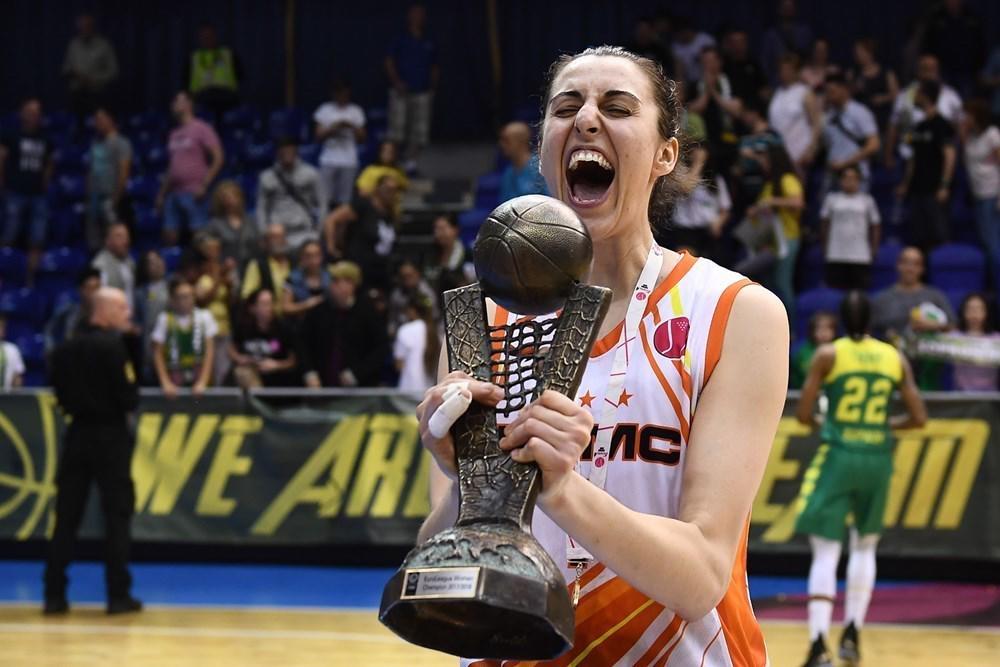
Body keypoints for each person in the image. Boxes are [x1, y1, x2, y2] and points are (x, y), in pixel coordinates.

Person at [421, 45, 788, 665]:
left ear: (666, 154)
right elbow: (448, 559)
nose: (587, 119)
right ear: (543, 151)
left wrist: (560, 487)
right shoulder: (478, 323)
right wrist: (464, 483)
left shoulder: (735, 312)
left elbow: (699, 579)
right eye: (567, 107)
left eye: (617, 107)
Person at [794, 291, 926, 667]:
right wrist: (884, 425)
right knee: (865, 547)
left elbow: (804, 414)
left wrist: (830, 424)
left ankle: (819, 644)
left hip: (839, 455)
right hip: (877, 456)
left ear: (839, 320)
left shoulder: (828, 354)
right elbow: (919, 417)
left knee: (825, 552)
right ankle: (853, 632)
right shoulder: (893, 356)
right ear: (872, 321)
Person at [45, 287, 143, 615]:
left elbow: (58, 393)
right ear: (104, 311)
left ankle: (53, 594)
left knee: (66, 517)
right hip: (110, 437)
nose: (127, 313)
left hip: (77, 435)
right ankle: (118, 595)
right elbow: (128, 397)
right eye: (122, 307)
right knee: (117, 517)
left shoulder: (64, 350)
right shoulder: (115, 348)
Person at [301, 261, 388, 388]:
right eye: (332, 281)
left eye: (337, 281)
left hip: (358, 389)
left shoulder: (368, 312)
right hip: (322, 388)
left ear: (351, 284)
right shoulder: (319, 311)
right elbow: (303, 343)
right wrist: (309, 372)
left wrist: (357, 374)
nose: (332, 285)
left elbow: (381, 349)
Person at [743, 142, 805, 322]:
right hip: (770, 242)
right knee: (769, 284)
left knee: (782, 283)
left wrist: (772, 202)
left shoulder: (787, 179)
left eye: (765, 158)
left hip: (787, 238)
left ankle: (791, 328)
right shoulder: (770, 183)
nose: (762, 162)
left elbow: (798, 203)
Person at [895, 81, 956, 253]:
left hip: (934, 190)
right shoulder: (919, 126)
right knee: (918, 239)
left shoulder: (942, 125)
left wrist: (944, 185)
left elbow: (950, 156)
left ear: (926, 96)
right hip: (917, 189)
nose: (914, 97)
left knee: (938, 236)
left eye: (918, 93)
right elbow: (914, 159)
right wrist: (905, 185)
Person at [156, 91, 224, 246]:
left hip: (194, 192)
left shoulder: (201, 128)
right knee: (169, 235)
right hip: (173, 193)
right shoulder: (173, 134)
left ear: (189, 104)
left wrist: (205, 185)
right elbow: (171, 167)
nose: (174, 105)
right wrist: (161, 194)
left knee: (199, 236)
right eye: (173, 102)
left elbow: (218, 158)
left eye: (178, 101)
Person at [0, 97, 53, 281]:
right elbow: (2, 159)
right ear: (22, 113)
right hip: (14, 191)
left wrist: (45, 183)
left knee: (37, 239)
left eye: (37, 112)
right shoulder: (11, 135)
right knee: (8, 234)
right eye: (30, 111)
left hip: (38, 194)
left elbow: (49, 163)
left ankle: (30, 280)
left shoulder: (45, 138)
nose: (33, 115)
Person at [322, 174, 400, 290]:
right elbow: (331, 220)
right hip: (359, 268)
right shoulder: (363, 205)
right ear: (378, 188)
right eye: (387, 188)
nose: (390, 193)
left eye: (394, 190)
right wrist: (331, 248)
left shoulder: (389, 214)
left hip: (380, 269)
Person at [385, 3, 439, 169]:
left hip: (422, 91)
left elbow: (435, 65)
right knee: (397, 130)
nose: (417, 17)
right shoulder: (400, 38)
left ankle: (411, 164)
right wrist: (396, 82)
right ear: (409, 16)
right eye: (415, 14)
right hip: (401, 91)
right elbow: (389, 61)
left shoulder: (428, 39)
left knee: (420, 132)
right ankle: (393, 164)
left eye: (420, 14)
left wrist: (432, 87)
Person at [885, 54, 962, 169]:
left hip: (940, 158)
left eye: (933, 68)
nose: (930, 73)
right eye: (925, 69)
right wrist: (888, 155)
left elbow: (960, 127)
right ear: (918, 72)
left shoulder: (951, 96)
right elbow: (893, 126)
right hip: (909, 156)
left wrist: (959, 154)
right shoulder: (905, 96)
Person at [151, 278, 218, 398]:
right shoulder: (164, 319)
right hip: (174, 378)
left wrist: (203, 381)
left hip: (199, 376)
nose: (185, 300)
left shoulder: (205, 316)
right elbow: (157, 353)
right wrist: (165, 382)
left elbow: (210, 351)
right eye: (180, 296)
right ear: (172, 300)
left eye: (188, 296)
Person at [871, 246, 953, 343]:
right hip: (891, 353)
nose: (910, 268)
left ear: (922, 269)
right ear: (898, 265)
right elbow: (870, 331)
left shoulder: (935, 296)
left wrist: (933, 326)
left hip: (927, 354)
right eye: (905, 263)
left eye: (916, 264)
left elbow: (953, 325)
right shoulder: (881, 299)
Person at [959, 99, 1000, 286]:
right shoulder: (970, 137)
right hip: (978, 194)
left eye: (967, 115)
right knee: (985, 242)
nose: (963, 118)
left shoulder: (992, 135)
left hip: (993, 194)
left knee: (993, 244)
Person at [820, 166, 882, 290]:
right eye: (846, 178)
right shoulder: (832, 199)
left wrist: (874, 248)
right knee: (836, 291)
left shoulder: (867, 200)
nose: (849, 181)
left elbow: (875, 225)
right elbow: (824, 224)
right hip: (836, 253)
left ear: (859, 181)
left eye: (853, 178)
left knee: (859, 292)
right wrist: (825, 246)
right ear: (840, 180)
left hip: (860, 254)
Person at [256, 137, 322, 251]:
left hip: (304, 231)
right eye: (283, 151)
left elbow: (322, 204)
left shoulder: (311, 174)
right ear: (278, 153)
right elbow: (261, 208)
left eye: (290, 151)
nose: (287, 154)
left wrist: (319, 232)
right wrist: (263, 233)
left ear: (296, 151)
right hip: (277, 232)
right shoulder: (266, 177)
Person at [229, 289, 299, 389]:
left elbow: (293, 361)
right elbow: (231, 348)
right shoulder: (244, 327)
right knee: (241, 372)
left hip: (279, 381)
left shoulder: (283, 328)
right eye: (264, 304)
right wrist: (240, 358)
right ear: (252, 308)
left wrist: (277, 365)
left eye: (271, 303)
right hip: (253, 377)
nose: (269, 308)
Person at [314, 80, 367, 211]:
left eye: (344, 92)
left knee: (345, 201)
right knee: (324, 199)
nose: (342, 95)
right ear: (334, 94)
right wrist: (334, 127)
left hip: (349, 161)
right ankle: (324, 228)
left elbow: (362, 138)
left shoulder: (356, 111)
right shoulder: (325, 109)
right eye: (339, 92)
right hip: (329, 160)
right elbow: (318, 136)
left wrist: (351, 126)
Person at [85, 108, 133, 251]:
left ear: (110, 119)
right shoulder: (95, 143)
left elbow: (124, 172)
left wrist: (115, 199)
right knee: (94, 241)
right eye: (95, 119)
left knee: (113, 239)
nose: (97, 123)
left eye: (101, 119)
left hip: (110, 198)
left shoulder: (121, 143)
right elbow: (90, 170)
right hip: (93, 198)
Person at [689, 46, 742, 175]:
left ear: (719, 62)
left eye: (711, 61)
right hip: (705, 144)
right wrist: (707, 90)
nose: (708, 65)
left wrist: (714, 92)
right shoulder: (696, 85)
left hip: (729, 140)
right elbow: (693, 110)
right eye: (704, 62)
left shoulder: (731, 81)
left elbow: (736, 110)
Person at [822, 74, 880, 192]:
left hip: (855, 176)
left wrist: (846, 163)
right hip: (833, 175)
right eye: (827, 92)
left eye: (832, 91)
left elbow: (874, 145)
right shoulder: (828, 116)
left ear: (843, 89)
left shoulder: (860, 112)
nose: (828, 95)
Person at [193, 236, 237, 386]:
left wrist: (230, 287)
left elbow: (231, 303)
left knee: (223, 368)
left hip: (224, 327)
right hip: (206, 330)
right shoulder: (201, 277)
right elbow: (203, 300)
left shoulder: (223, 276)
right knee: (207, 366)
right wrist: (219, 278)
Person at [669, 155, 731, 259]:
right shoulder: (681, 174)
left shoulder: (716, 179)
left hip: (708, 231)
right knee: (687, 265)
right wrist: (698, 162)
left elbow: (726, 208)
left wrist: (719, 223)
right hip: (686, 231)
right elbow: (686, 189)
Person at [768, 54, 823, 173]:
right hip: (779, 155)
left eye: (788, 70)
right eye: (782, 70)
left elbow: (817, 124)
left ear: (796, 71)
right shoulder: (777, 93)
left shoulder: (805, 93)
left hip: (800, 155)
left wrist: (811, 150)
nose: (784, 73)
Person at [62, 14, 118, 122]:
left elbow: (113, 71)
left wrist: (94, 79)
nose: (84, 29)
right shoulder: (73, 45)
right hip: (77, 95)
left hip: (98, 95)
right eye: (81, 27)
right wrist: (75, 74)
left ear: (92, 27)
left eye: (87, 26)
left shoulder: (103, 45)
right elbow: (65, 68)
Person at [184, 24, 241, 123]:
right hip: (201, 99)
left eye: (210, 36)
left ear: (216, 37)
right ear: (199, 39)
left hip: (226, 98)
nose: (207, 39)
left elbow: (241, 77)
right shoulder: (193, 58)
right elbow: (185, 83)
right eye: (204, 37)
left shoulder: (228, 54)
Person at [201, 179, 259, 269]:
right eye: (226, 197)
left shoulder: (251, 221)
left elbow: (259, 245)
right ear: (220, 200)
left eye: (232, 196)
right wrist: (220, 260)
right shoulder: (215, 224)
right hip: (227, 269)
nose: (230, 200)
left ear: (239, 197)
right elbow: (201, 240)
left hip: (251, 268)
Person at [847, 38, 899, 133]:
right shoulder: (853, 72)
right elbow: (845, 96)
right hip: (859, 121)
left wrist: (884, 98)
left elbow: (896, 95)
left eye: (860, 52)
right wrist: (855, 89)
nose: (857, 55)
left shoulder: (885, 72)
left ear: (870, 53)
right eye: (856, 52)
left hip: (880, 118)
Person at [44, 268, 101, 355]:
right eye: (90, 288)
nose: (95, 293)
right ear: (81, 289)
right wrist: (51, 352)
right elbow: (49, 330)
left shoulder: (105, 315)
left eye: (97, 288)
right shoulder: (69, 312)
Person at [952, 293, 1000, 392]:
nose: (974, 313)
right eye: (970, 309)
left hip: (990, 394)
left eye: (979, 309)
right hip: (961, 393)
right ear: (963, 312)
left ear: (987, 312)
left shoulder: (997, 339)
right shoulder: (953, 338)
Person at [241, 224, 292, 316]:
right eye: (273, 237)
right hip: (269, 319)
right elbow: (247, 296)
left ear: (286, 240)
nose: (278, 241)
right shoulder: (257, 264)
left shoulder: (294, 262)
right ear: (265, 242)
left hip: (293, 316)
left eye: (280, 236)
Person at [133, 251, 169, 384]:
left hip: (169, 342)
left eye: (159, 260)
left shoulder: (172, 285)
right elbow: (136, 318)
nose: (158, 265)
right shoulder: (139, 292)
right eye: (152, 263)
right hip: (148, 344)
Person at [761, 0, 814, 85]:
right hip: (777, 82)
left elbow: (810, 57)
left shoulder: (804, 32)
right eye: (785, 7)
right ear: (779, 9)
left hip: (802, 79)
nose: (787, 10)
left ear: (794, 9)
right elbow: (766, 62)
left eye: (790, 7)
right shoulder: (771, 35)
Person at [394, 295, 438, 393]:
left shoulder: (405, 330)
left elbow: (399, 365)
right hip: (430, 390)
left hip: (408, 389)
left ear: (412, 310)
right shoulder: (436, 332)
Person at [422, 214, 473, 298]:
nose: (438, 233)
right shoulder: (429, 256)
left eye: (442, 229)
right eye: (435, 229)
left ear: (455, 230)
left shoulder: (468, 256)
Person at [497, 121, 547, 203]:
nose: (501, 144)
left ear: (520, 141)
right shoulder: (508, 173)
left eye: (506, 140)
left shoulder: (541, 168)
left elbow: (551, 204)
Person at [387, 259, 439, 337]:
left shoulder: (426, 293)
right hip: (403, 331)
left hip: (426, 332)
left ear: (417, 274)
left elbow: (434, 316)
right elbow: (393, 319)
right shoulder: (397, 295)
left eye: (410, 275)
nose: (407, 279)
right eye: (403, 277)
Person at [721, 28, 768, 109]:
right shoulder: (723, 66)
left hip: (754, 111)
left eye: (741, 41)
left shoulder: (754, 65)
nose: (738, 45)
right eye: (735, 42)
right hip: (731, 110)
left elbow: (764, 89)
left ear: (746, 43)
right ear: (729, 45)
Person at [281, 240, 329, 319]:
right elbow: (286, 307)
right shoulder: (292, 278)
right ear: (302, 258)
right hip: (302, 323)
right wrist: (306, 305)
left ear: (321, 256)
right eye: (308, 256)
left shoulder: (330, 275)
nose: (313, 260)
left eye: (316, 255)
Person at [91, 223, 136, 306]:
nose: (125, 241)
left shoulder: (130, 262)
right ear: (108, 241)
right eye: (119, 236)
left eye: (126, 236)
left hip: (128, 315)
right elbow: (100, 299)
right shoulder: (100, 266)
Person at [790, 310, 836, 389]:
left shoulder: (839, 349)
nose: (823, 333)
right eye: (820, 328)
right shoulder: (802, 352)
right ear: (812, 331)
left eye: (827, 328)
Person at [670, 15, 715, 85]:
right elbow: (679, 70)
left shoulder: (705, 40)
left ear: (688, 31)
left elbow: (715, 62)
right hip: (689, 82)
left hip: (708, 78)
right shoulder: (676, 46)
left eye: (681, 33)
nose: (679, 36)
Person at [0, 315, 25, 390]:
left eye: (1, 327)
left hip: (6, 397)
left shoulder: (12, 349)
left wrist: (15, 397)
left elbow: (17, 377)